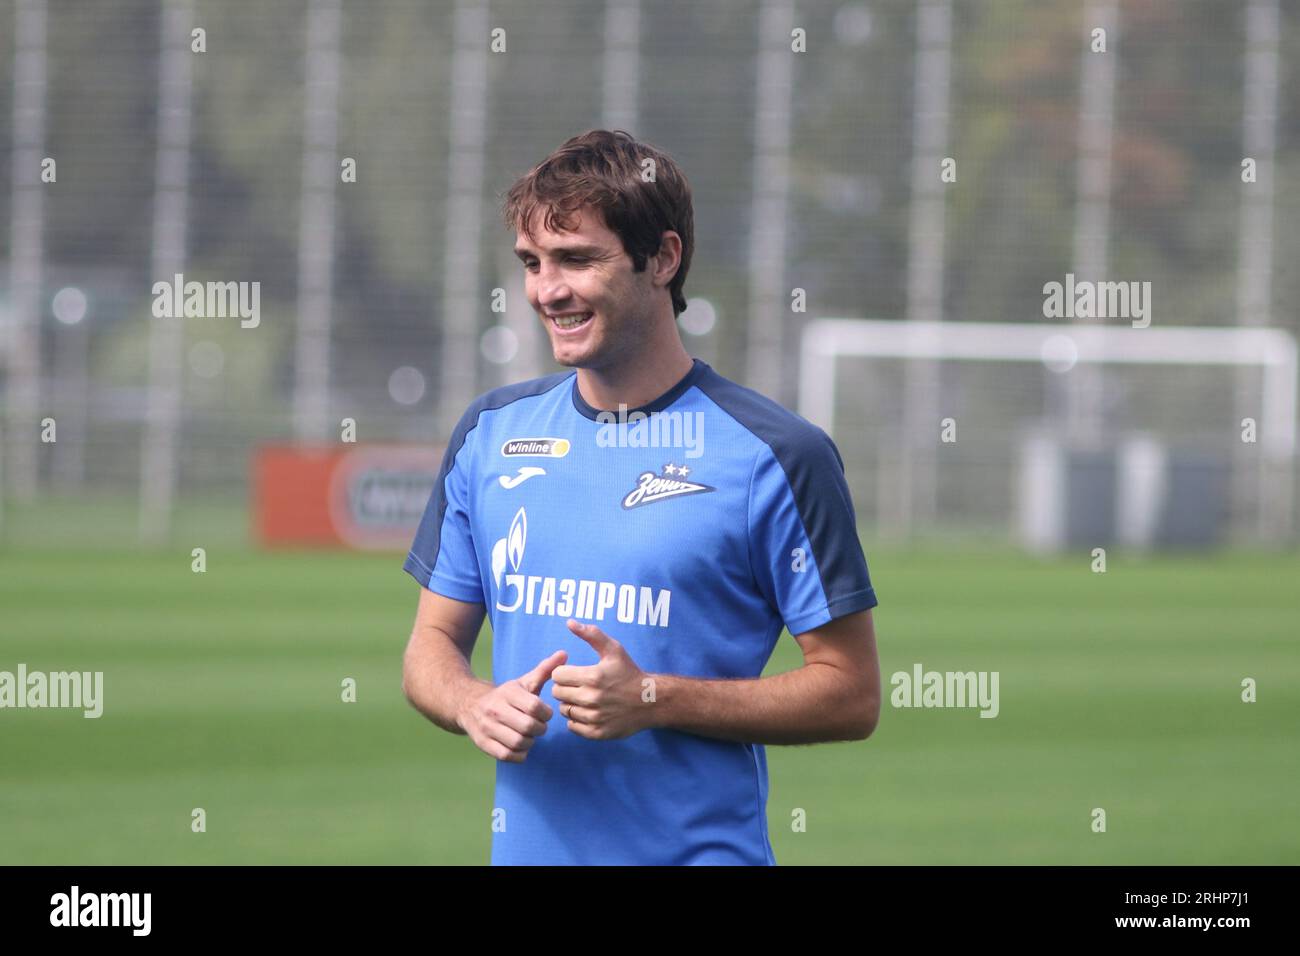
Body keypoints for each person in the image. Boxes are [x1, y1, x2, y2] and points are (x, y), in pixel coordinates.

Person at [401, 129, 880, 865]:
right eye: (533, 263)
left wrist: (655, 696)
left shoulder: (777, 454)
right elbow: (429, 650)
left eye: (577, 259)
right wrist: (472, 703)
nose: (547, 289)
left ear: (662, 258)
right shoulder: (491, 434)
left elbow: (852, 693)